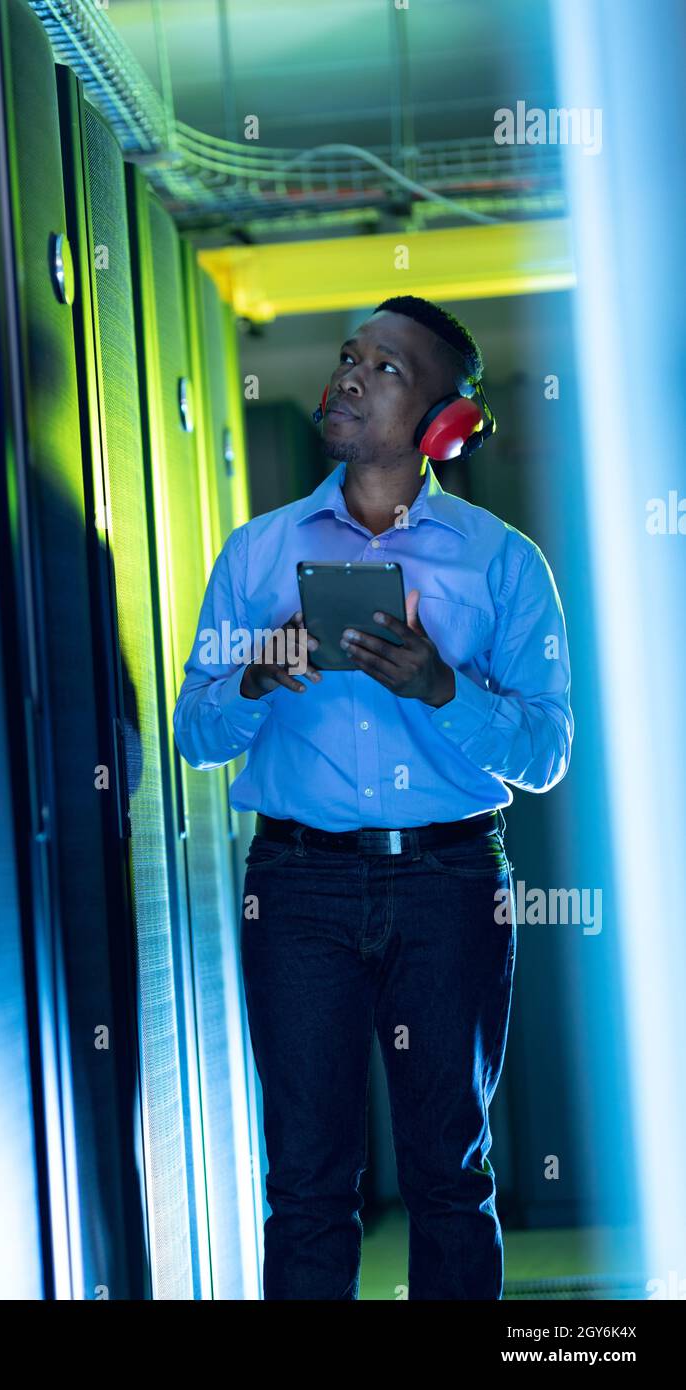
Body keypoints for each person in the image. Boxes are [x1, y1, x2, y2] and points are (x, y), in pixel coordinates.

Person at [173, 295, 574, 1300]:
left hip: (447, 882)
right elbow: (193, 732)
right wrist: (252, 678)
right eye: (349, 357)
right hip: (293, 886)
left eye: (385, 367)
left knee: (448, 1173)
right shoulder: (256, 554)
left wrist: (442, 688)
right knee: (306, 1179)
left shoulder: (501, 563)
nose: (349, 374)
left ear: (443, 423)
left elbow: (545, 748)